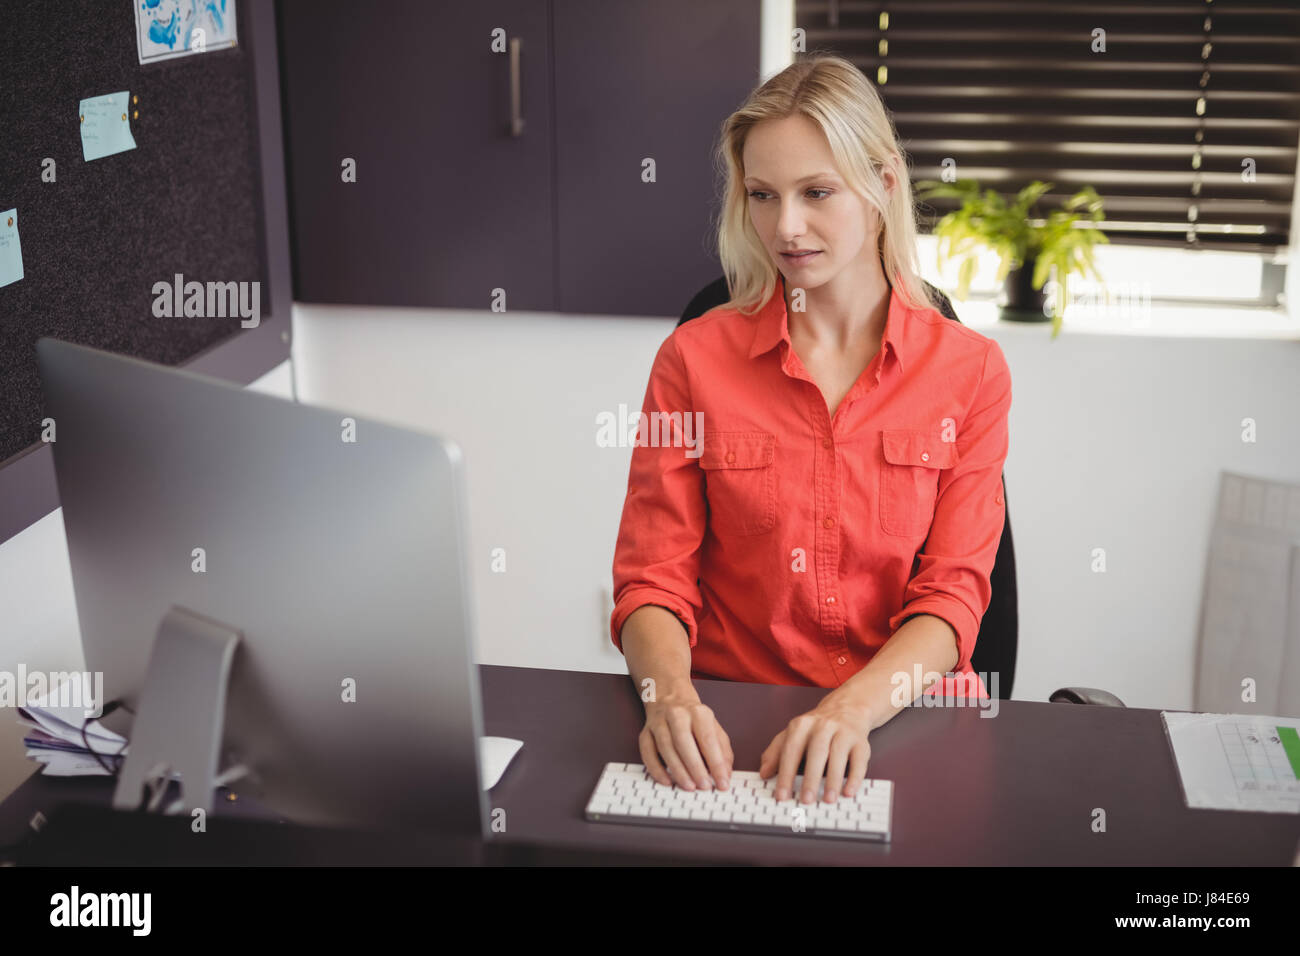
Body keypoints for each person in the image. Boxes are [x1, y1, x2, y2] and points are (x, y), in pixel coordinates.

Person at [609, 55, 1012, 807]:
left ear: (884, 186)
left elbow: (953, 593)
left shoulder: (972, 371)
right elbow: (652, 578)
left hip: (903, 722)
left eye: (817, 192)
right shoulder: (693, 359)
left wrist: (848, 710)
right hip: (732, 724)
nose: (785, 228)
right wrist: (668, 698)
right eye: (763, 196)